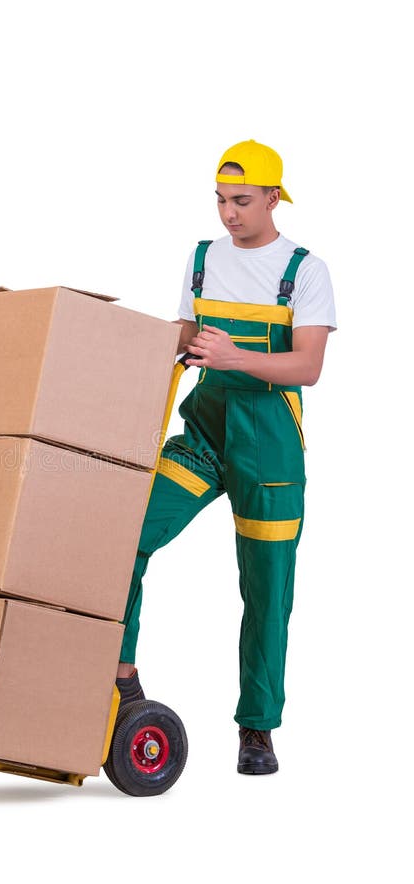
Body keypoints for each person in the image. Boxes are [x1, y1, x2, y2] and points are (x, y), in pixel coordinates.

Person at [115, 139, 336, 775]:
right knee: (126, 531)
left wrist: (234, 355)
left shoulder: (305, 270)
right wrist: (152, 344)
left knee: (268, 589)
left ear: (273, 197)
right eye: (219, 199)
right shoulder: (203, 258)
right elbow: (186, 334)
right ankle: (123, 680)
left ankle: (256, 728)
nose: (228, 213)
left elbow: (309, 366)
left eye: (241, 200)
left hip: (269, 447)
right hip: (207, 432)